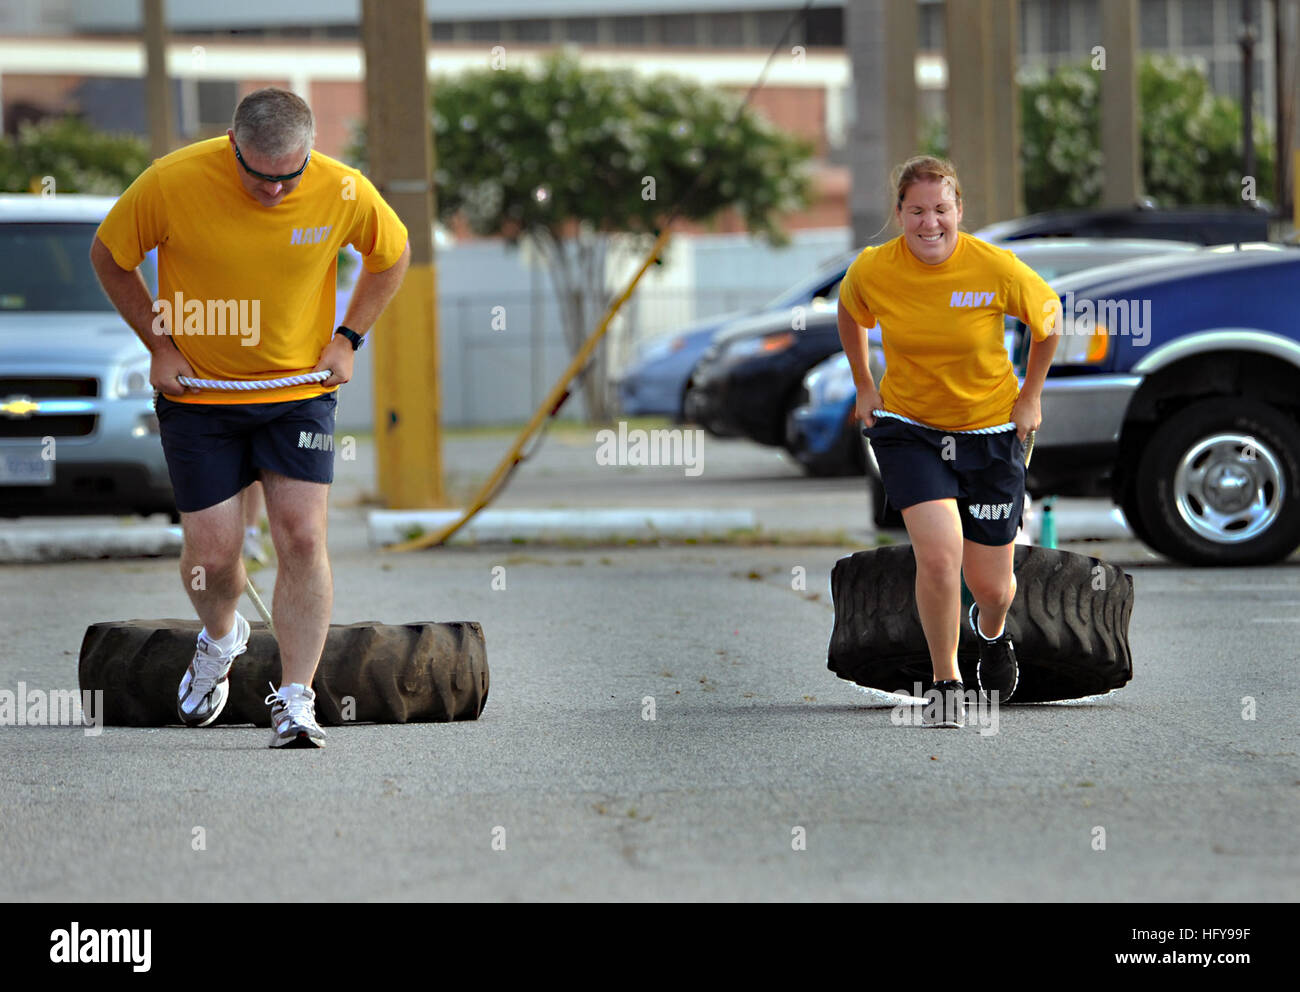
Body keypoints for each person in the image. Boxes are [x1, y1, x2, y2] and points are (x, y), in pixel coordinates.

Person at [91, 88, 410, 748]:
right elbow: (110, 256)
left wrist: (348, 338)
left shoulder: (342, 189)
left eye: (288, 176)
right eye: (258, 175)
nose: (273, 190)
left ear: (309, 152)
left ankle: (296, 699)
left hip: (297, 391)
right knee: (214, 556)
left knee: (300, 537)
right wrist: (160, 344)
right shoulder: (172, 182)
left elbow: (391, 254)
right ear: (233, 143)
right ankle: (220, 638)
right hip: (200, 396)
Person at [837, 155, 1060, 728]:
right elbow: (850, 312)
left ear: (959, 210)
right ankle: (945, 681)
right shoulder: (874, 269)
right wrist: (865, 384)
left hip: (989, 433)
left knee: (992, 586)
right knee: (939, 558)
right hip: (911, 430)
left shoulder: (995, 267)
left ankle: (992, 635)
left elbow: (1049, 321)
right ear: (900, 214)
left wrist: (1030, 396)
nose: (929, 223)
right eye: (916, 210)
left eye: (941, 209)